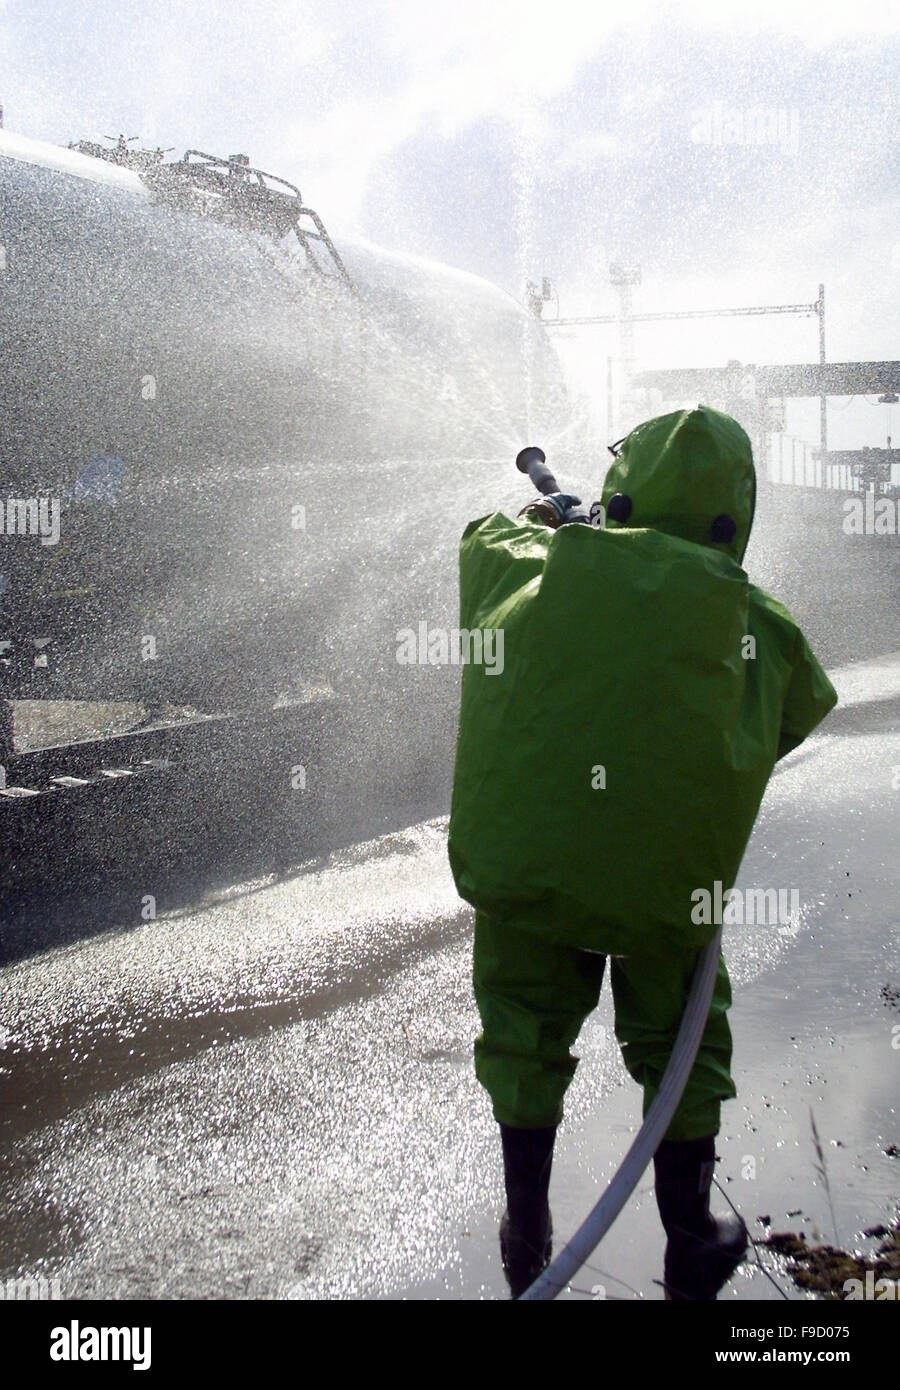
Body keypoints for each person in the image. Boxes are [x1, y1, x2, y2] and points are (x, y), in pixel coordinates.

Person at [447, 405, 837, 1299]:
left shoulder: (537, 567)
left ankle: (528, 1227)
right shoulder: (755, 623)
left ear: (621, 491)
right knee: (681, 1040)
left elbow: (482, 541)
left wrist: (556, 524)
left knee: (524, 1027)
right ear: (732, 516)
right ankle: (692, 1234)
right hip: (665, 895)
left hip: (527, 880)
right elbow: (796, 708)